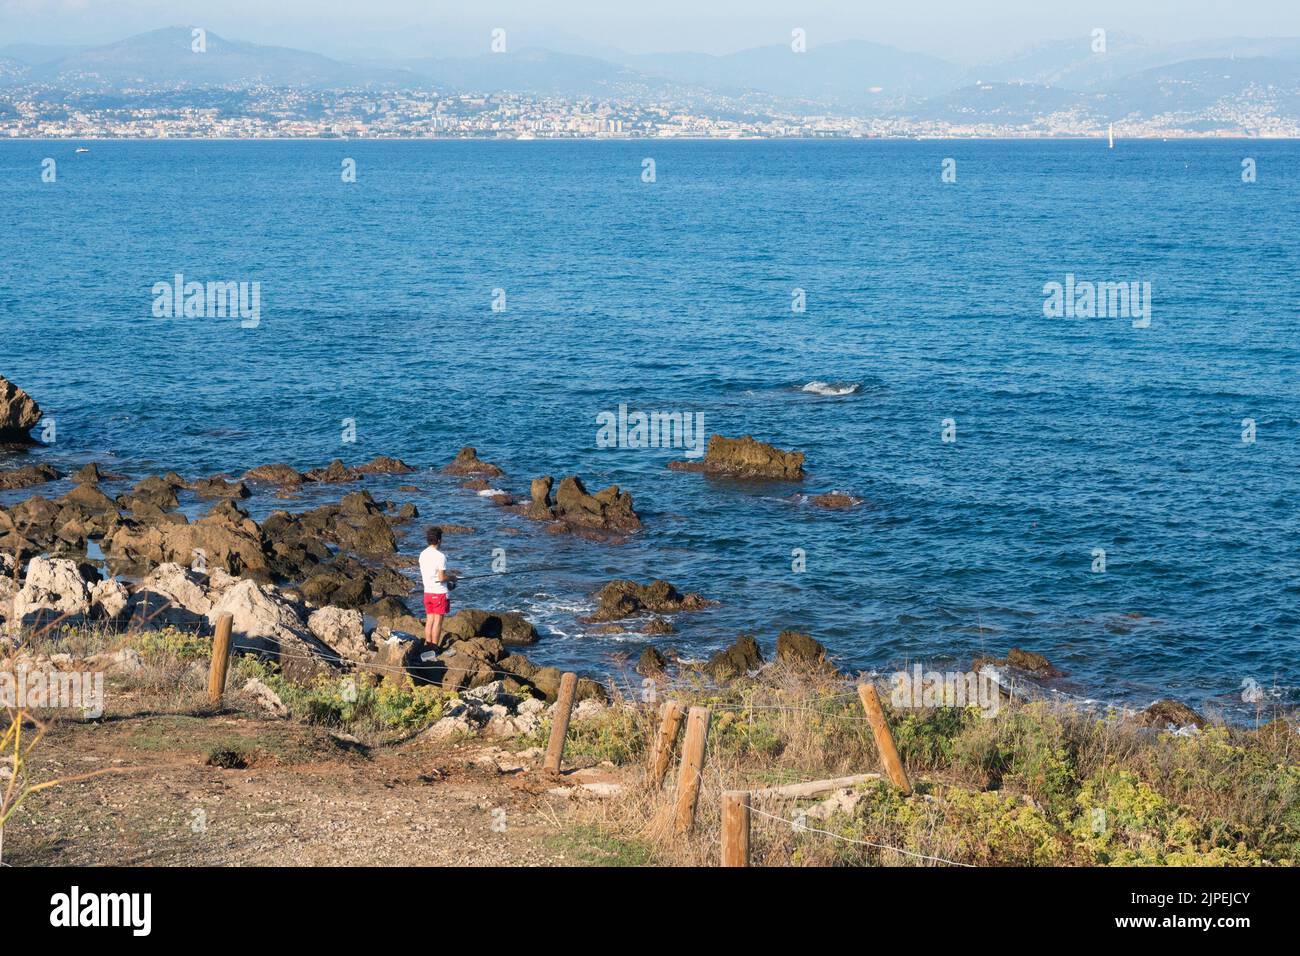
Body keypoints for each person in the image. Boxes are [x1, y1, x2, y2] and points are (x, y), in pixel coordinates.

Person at [417, 526, 457, 660]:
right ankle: (435, 648)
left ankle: (428, 646)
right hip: (439, 593)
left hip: (427, 592)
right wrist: (451, 578)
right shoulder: (440, 556)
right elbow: (441, 578)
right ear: (439, 540)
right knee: (438, 622)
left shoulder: (422, 554)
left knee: (429, 620)